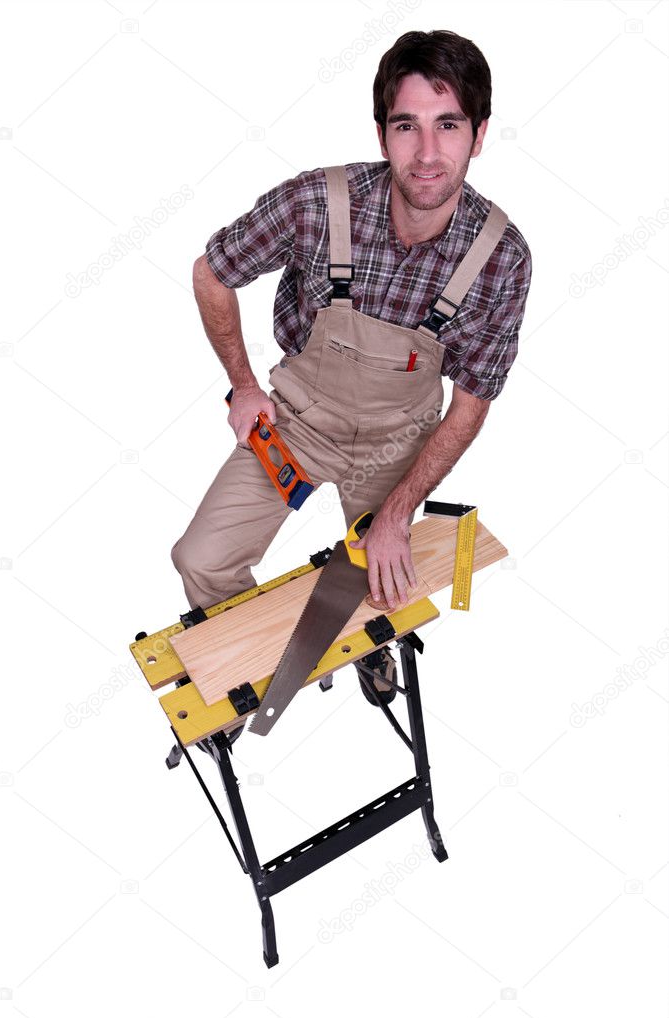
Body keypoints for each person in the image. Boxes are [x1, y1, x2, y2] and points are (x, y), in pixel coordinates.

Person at [171, 29, 532, 705]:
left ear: (479, 134)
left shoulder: (501, 257)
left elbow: (471, 405)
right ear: (381, 133)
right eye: (407, 126)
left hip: (400, 439)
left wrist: (397, 513)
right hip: (300, 423)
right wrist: (244, 386)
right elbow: (210, 273)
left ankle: (370, 646)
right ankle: (282, 663)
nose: (428, 153)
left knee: (382, 581)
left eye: (448, 125)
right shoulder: (317, 203)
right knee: (200, 559)